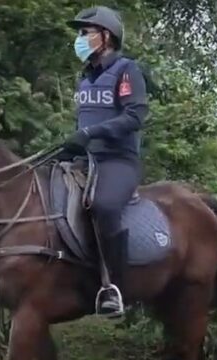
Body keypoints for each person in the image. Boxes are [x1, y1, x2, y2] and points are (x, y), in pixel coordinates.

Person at [61, 5, 149, 317]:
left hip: (118, 161)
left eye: (85, 33)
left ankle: (115, 288)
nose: (80, 39)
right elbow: (84, 125)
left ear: (106, 36)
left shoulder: (127, 70)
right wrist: (70, 146)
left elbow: (134, 116)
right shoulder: (85, 78)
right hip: (86, 160)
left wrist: (91, 133)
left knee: (104, 206)